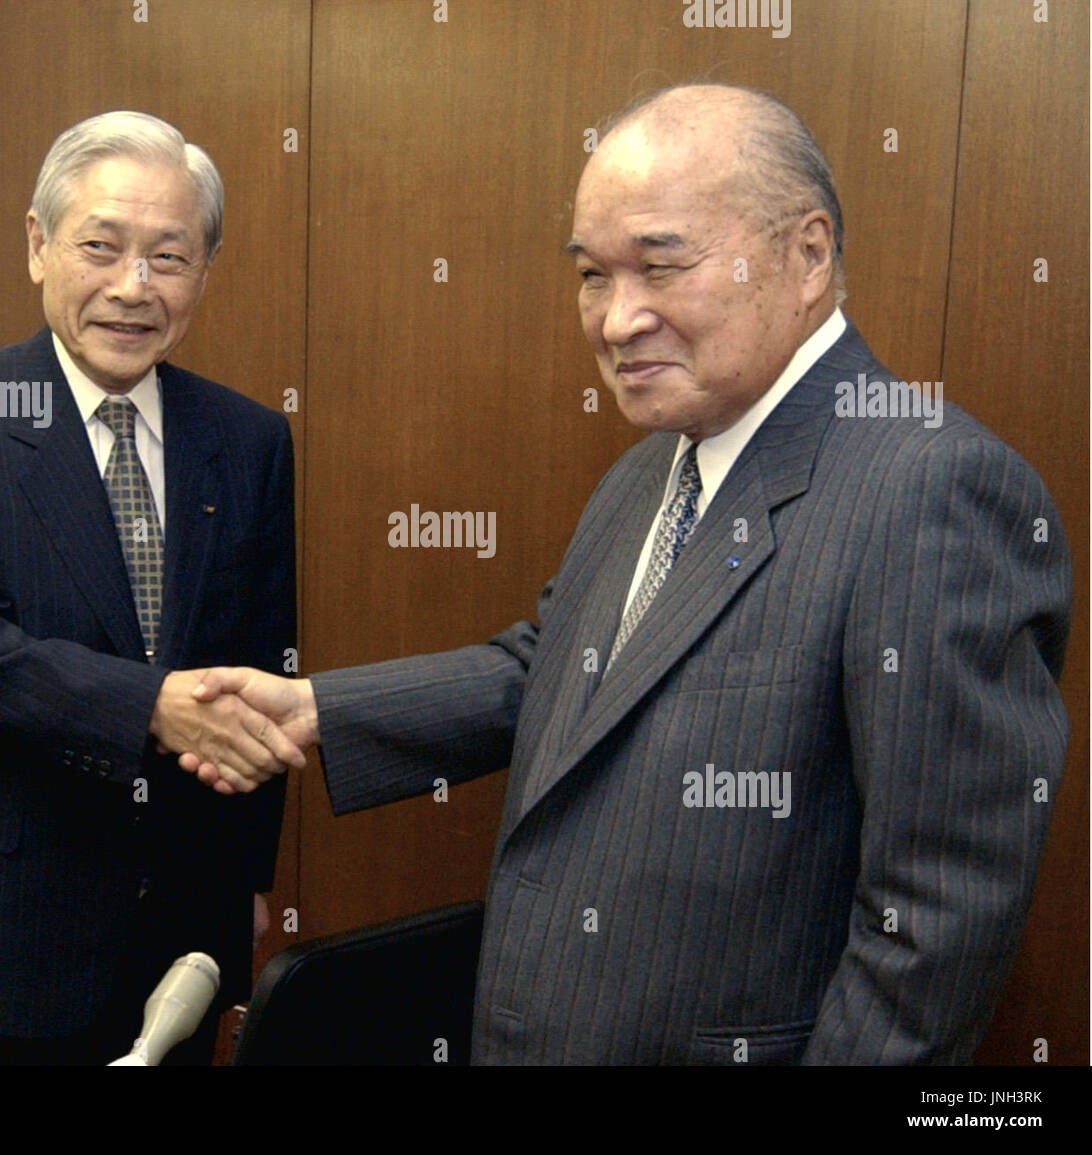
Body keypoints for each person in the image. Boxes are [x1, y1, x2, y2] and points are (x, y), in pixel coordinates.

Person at [179, 84, 1072, 1064]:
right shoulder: (653, 466)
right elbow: (559, 673)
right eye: (593, 276)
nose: (615, 320)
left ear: (806, 255)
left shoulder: (932, 489)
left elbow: (937, 927)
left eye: (659, 264)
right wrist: (321, 709)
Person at [0, 110, 304, 1065]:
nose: (132, 287)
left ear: (204, 269)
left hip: (185, 915)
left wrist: (248, 876)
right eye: (101, 246)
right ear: (38, 245)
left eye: (170, 257)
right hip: (5, 918)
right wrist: (152, 705)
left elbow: (263, 667)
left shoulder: (250, 440)